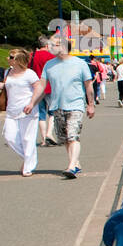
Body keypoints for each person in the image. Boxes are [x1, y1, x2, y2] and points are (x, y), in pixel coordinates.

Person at [30, 39, 94, 178]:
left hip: (76, 105)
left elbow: (88, 85)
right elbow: (41, 85)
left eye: (55, 45)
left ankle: (71, 167)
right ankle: (75, 162)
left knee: (73, 135)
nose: (51, 47)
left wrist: (91, 105)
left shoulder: (80, 64)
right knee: (65, 138)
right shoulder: (49, 65)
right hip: (57, 105)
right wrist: (32, 103)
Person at [1, 49, 45, 176]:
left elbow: (39, 89)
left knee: (27, 138)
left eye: (10, 56)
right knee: (9, 137)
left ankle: (28, 167)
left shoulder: (29, 74)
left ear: (17, 60)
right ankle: (28, 159)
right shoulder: (7, 72)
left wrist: (32, 103)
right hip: (11, 110)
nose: (8, 58)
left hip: (27, 110)